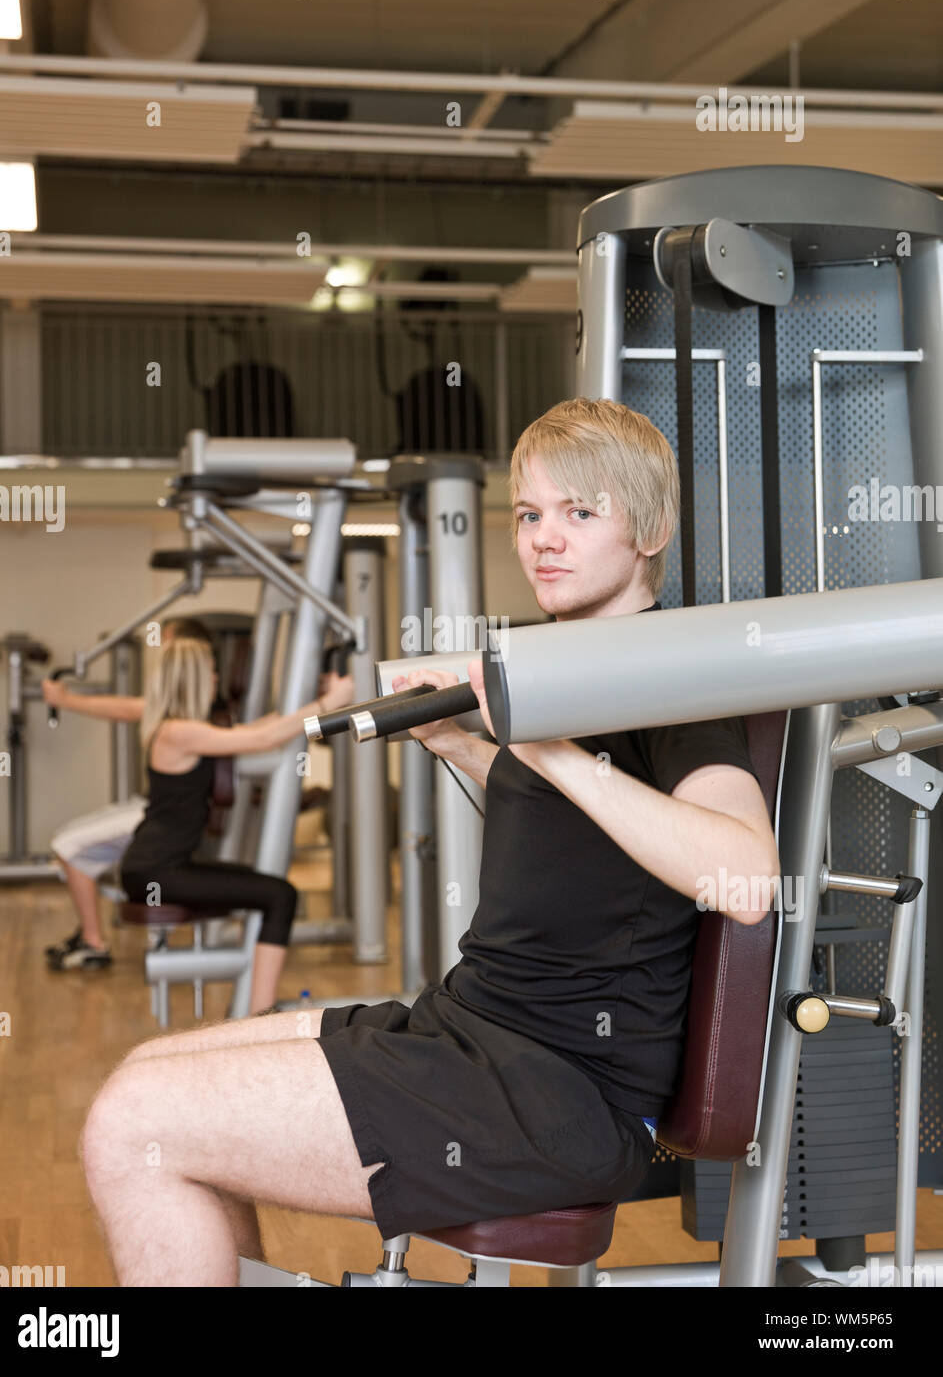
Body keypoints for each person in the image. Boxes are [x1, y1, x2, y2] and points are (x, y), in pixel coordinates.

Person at [80, 398, 780, 1287]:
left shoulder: (670, 683)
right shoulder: (565, 669)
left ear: (649, 530)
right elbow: (580, 832)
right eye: (529, 514)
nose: (543, 540)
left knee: (133, 1123)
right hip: (468, 1027)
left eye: (579, 513)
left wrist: (544, 745)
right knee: (147, 1072)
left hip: (554, 1091)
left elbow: (747, 879)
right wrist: (469, 749)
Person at [117, 634, 353, 1015]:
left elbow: (254, 729)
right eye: (210, 670)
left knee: (261, 885)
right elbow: (262, 739)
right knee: (280, 895)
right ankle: (261, 1014)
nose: (215, 678)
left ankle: (255, 1004)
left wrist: (313, 695)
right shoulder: (177, 732)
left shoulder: (182, 728)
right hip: (155, 871)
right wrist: (329, 704)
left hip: (157, 866)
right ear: (192, 677)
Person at [42, 616, 214, 971]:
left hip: (163, 816)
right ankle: (89, 931)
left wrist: (67, 699)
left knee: (67, 847)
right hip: (155, 807)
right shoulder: (184, 703)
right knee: (66, 843)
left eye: (167, 646)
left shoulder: (190, 706)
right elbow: (133, 708)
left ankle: (94, 943)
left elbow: (129, 709)